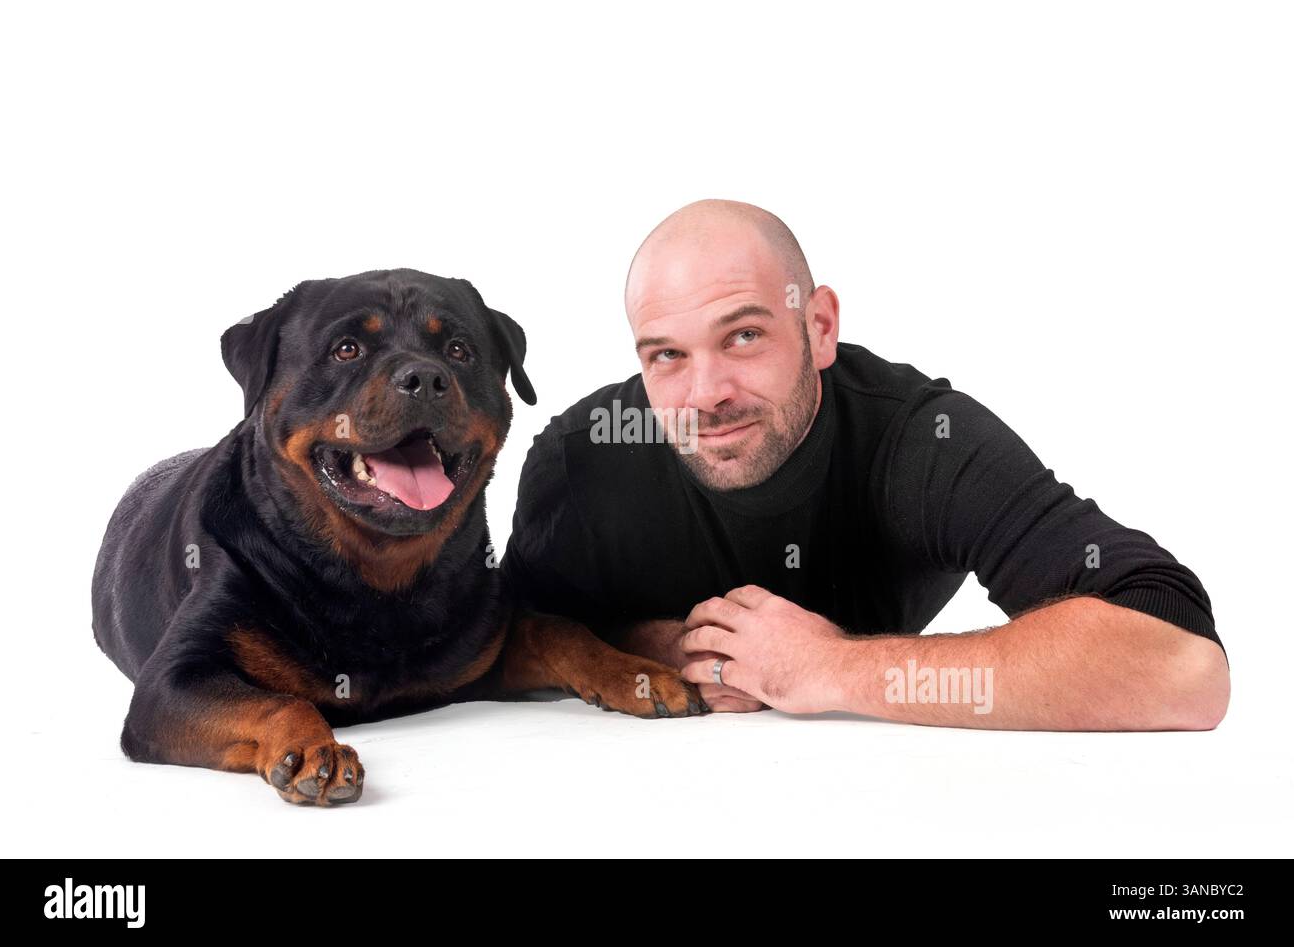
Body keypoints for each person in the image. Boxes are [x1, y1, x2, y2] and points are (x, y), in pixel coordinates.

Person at [501, 199, 1229, 729]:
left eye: (745, 335)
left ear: (818, 327)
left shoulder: (921, 441)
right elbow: (499, 642)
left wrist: (825, 667)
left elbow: (1183, 663)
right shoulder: (583, 460)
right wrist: (660, 645)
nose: (706, 395)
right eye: (667, 355)